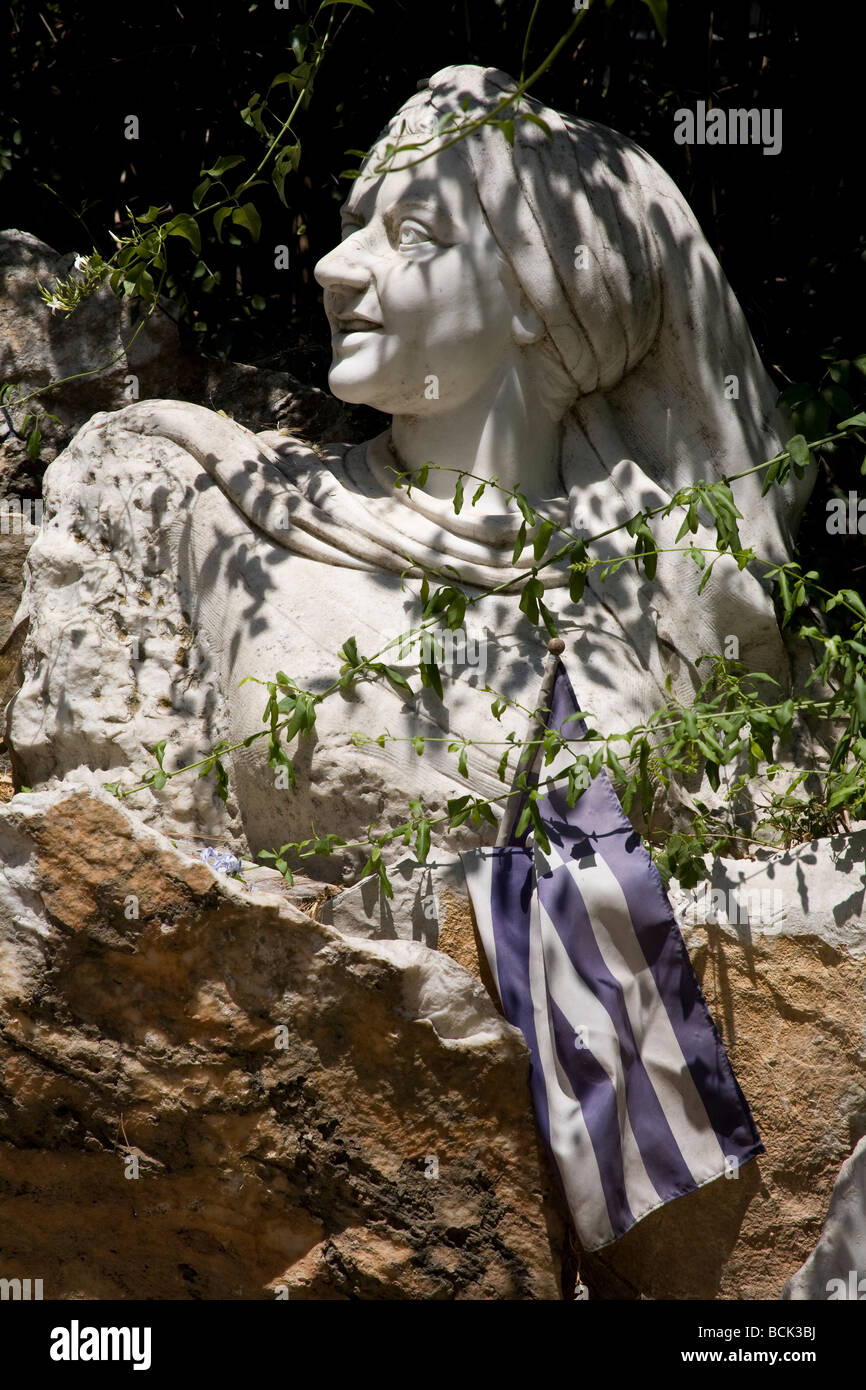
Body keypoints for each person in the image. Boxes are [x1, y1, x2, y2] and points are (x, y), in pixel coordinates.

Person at [9, 66, 813, 878]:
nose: (334, 267)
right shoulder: (203, 501)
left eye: (414, 233)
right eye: (357, 225)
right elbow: (117, 860)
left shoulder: (664, 592)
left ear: (540, 293)